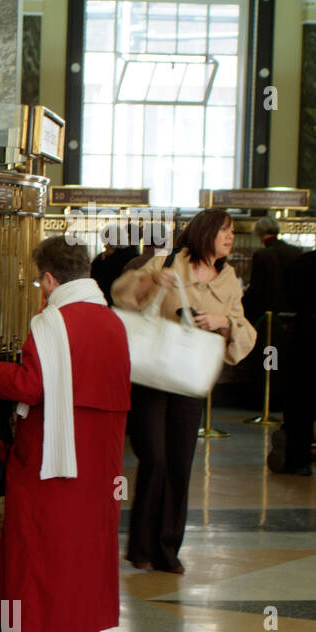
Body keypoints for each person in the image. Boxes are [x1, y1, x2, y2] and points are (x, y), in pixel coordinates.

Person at [0, 236, 132, 632]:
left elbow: (30, 387)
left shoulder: (53, 322)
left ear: (50, 278)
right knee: (92, 554)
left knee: (61, 554)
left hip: (55, 459)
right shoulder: (112, 321)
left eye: (38, 280)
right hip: (102, 459)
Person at [112, 209, 256, 574]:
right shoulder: (170, 261)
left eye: (233, 233)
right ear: (205, 232)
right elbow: (123, 295)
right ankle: (141, 545)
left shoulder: (229, 280)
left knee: (179, 462)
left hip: (191, 379)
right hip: (154, 374)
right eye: (225, 231)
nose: (230, 238)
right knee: (155, 457)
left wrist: (224, 323)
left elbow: (244, 329)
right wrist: (151, 282)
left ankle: (167, 548)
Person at [268, 245, 316, 476]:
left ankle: (297, 459)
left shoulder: (304, 263)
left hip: (308, 340)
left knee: (301, 404)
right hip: (308, 338)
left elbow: (287, 301)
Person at [242, 217, 302, 326]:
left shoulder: (261, 255)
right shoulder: (296, 251)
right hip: (293, 311)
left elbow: (257, 288)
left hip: (269, 313)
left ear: (259, 233)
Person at [90, 221, 140, 307]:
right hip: (127, 303)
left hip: (104, 302)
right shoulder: (134, 256)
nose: (105, 245)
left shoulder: (102, 260)